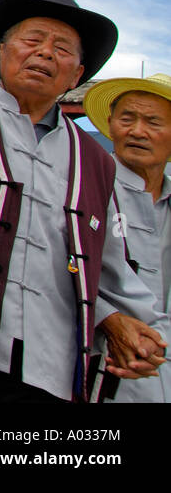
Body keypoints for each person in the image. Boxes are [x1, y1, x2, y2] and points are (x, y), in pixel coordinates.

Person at [0, 0, 166, 401]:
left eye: (62, 49)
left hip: (49, 364)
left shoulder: (95, 161)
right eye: (32, 40)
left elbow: (107, 266)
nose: (45, 54)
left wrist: (126, 321)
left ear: (76, 75)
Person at [83, 73, 171, 402]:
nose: (137, 131)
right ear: (111, 124)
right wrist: (107, 317)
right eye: (127, 118)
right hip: (101, 372)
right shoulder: (85, 186)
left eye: (152, 121)